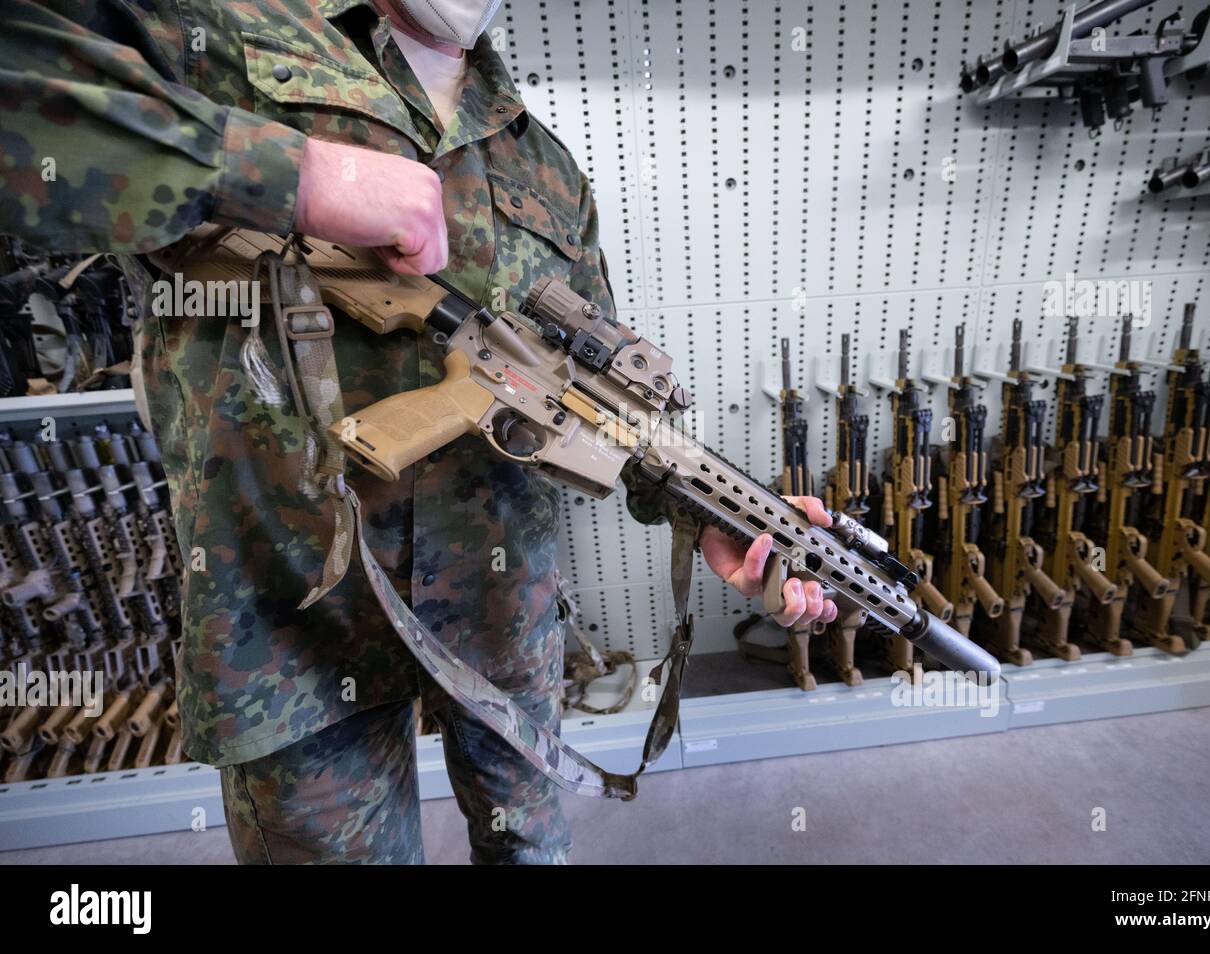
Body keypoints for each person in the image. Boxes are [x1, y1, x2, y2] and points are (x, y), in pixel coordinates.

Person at [0, 0, 837, 863]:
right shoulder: (220, 32)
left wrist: (717, 523)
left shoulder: (547, 168)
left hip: (503, 619)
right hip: (294, 626)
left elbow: (602, 409)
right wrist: (297, 176)